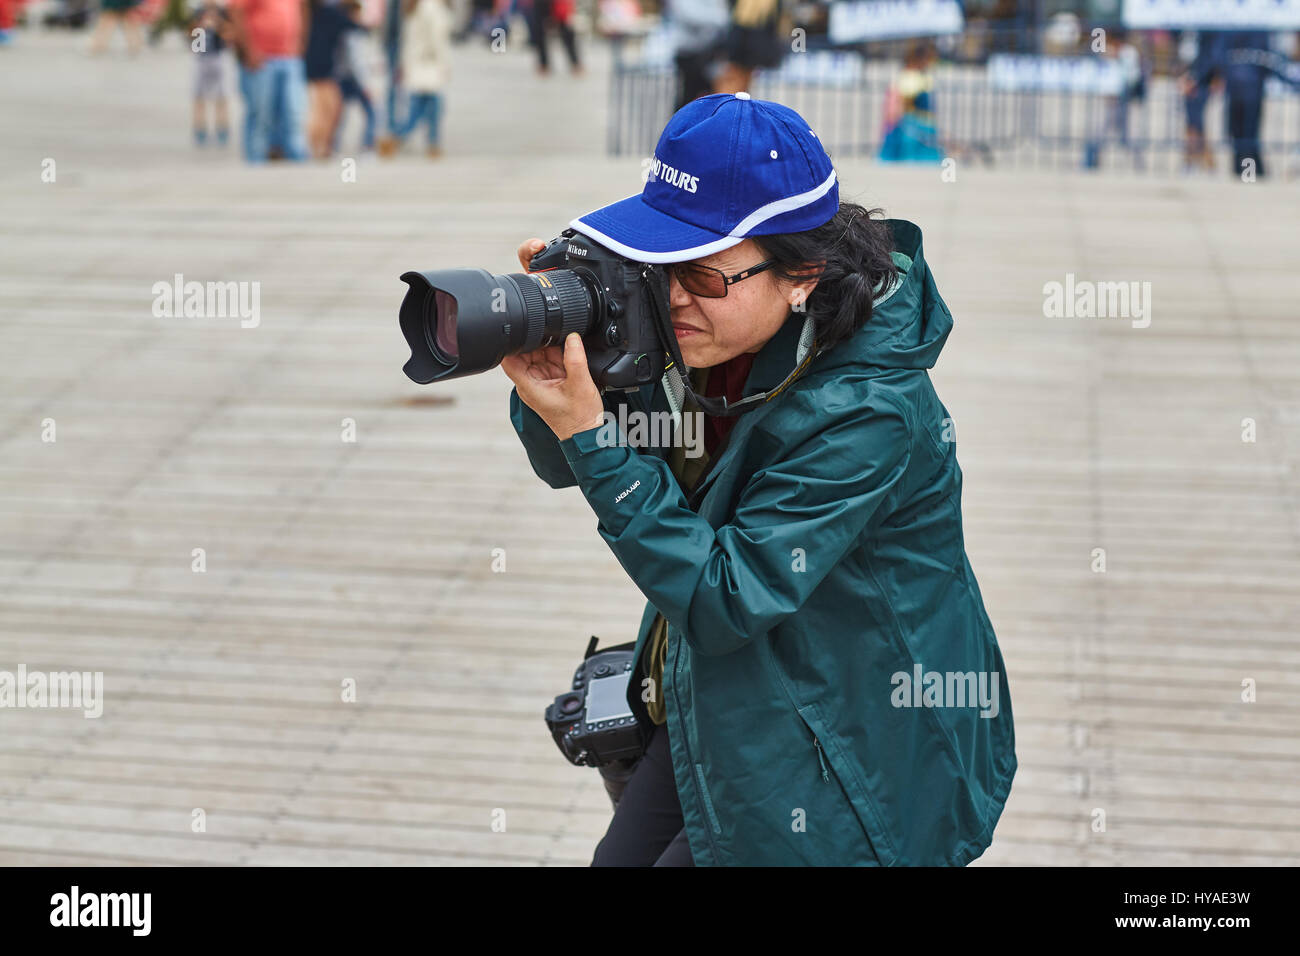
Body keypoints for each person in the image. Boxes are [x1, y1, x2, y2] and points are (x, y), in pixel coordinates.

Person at [504, 92, 1017, 865]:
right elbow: (563, 464)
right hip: (735, 689)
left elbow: (724, 597)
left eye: (704, 277)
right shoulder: (695, 331)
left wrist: (590, 431)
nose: (673, 294)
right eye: (657, 261)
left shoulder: (869, 410)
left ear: (803, 273)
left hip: (862, 739)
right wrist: (573, 367)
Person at [227, 0, 309, 162]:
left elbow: (303, 9)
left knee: (293, 113)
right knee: (260, 114)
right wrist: (249, 51)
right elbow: (236, 13)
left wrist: (301, 42)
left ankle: (296, 160)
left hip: (290, 58)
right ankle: (256, 161)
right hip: (262, 60)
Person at [377, 0, 450, 157]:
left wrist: (405, 63)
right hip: (429, 64)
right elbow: (437, 39)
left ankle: (427, 142)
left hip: (417, 64)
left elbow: (406, 39)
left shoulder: (414, 6)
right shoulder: (431, 7)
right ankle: (426, 142)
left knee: (423, 106)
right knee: (430, 106)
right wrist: (444, 64)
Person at [878, 40, 944, 164]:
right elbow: (904, 104)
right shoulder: (909, 78)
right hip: (915, 126)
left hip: (923, 125)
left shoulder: (919, 77)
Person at [713, 0, 784, 95]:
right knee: (740, 86)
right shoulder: (771, 5)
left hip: (740, 49)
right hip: (754, 49)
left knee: (732, 83)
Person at [189, 1, 232, 146]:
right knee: (199, 96)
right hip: (202, 57)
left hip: (218, 56)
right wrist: (201, 27)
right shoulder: (197, 12)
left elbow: (229, 36)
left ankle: (222, 128)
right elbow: (192, 38)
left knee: (221, 96)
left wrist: (218, 24)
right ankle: (200, 129)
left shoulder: (223, 12)